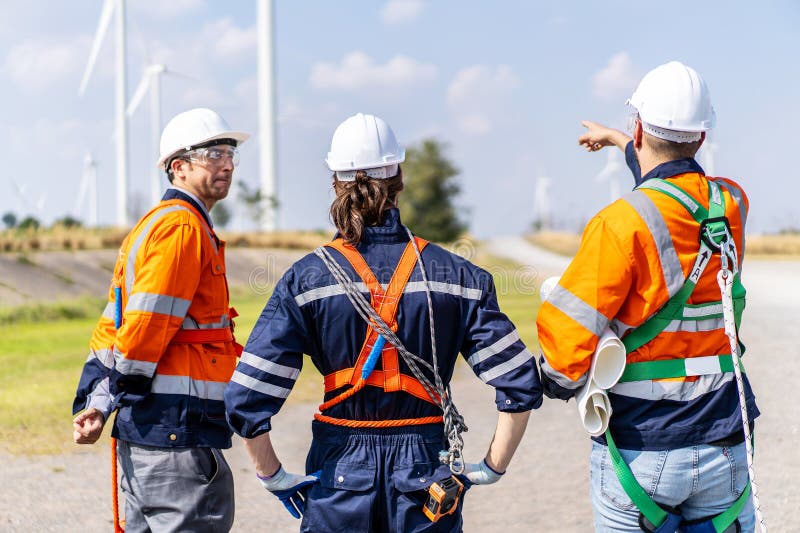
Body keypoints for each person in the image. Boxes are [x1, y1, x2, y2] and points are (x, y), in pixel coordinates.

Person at [224, 112, 542, 532]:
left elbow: (245, 398)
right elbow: (519, 383)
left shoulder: (305, 281)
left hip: (339, 472)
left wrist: (273, 476)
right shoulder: (460, 278)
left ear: (335, 181)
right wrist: (491, 468)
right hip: (425, 470)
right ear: (399, 179)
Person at [537, 61, 760, 532]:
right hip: (726, 439)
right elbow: (673, 181)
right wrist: (622, 144)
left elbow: (565, 346)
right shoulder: (732, 205)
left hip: (644, 446)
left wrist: (556, 381)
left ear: (637, 127)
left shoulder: (620, 224)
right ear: (702, 138)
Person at [72, 107, 249, 532]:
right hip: (175, 434)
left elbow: (112, 325)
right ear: (179, 167)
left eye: (229, 153)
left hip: (149, 432)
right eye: (213, 153)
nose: (226, 163)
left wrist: (97, 398)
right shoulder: (182, 229)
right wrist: (114, 391)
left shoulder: (153, 225)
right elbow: (146, 325)